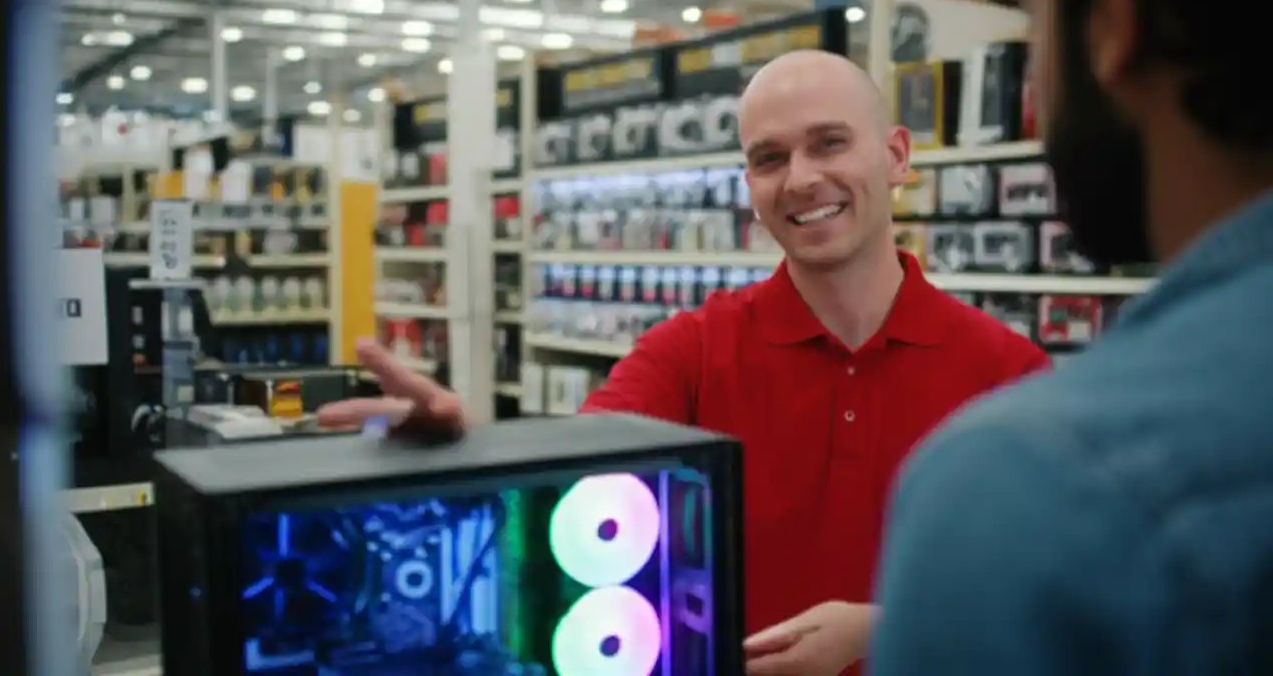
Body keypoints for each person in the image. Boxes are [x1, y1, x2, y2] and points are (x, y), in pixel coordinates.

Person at [320, 49, 1049, 674]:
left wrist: (883, 629)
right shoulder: (691, 352)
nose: (799, 179)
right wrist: (476, 455)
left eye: (829, 143)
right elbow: (580, 470)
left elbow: (1058, 596)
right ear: (749, 187)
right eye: (769, 159)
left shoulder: (1008, 374)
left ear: (895, 156)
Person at [758, 0, 1273, 674]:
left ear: (1109, 21)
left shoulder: (1027, 471)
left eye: (1030, 22)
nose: (803, 178)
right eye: (768, 157)